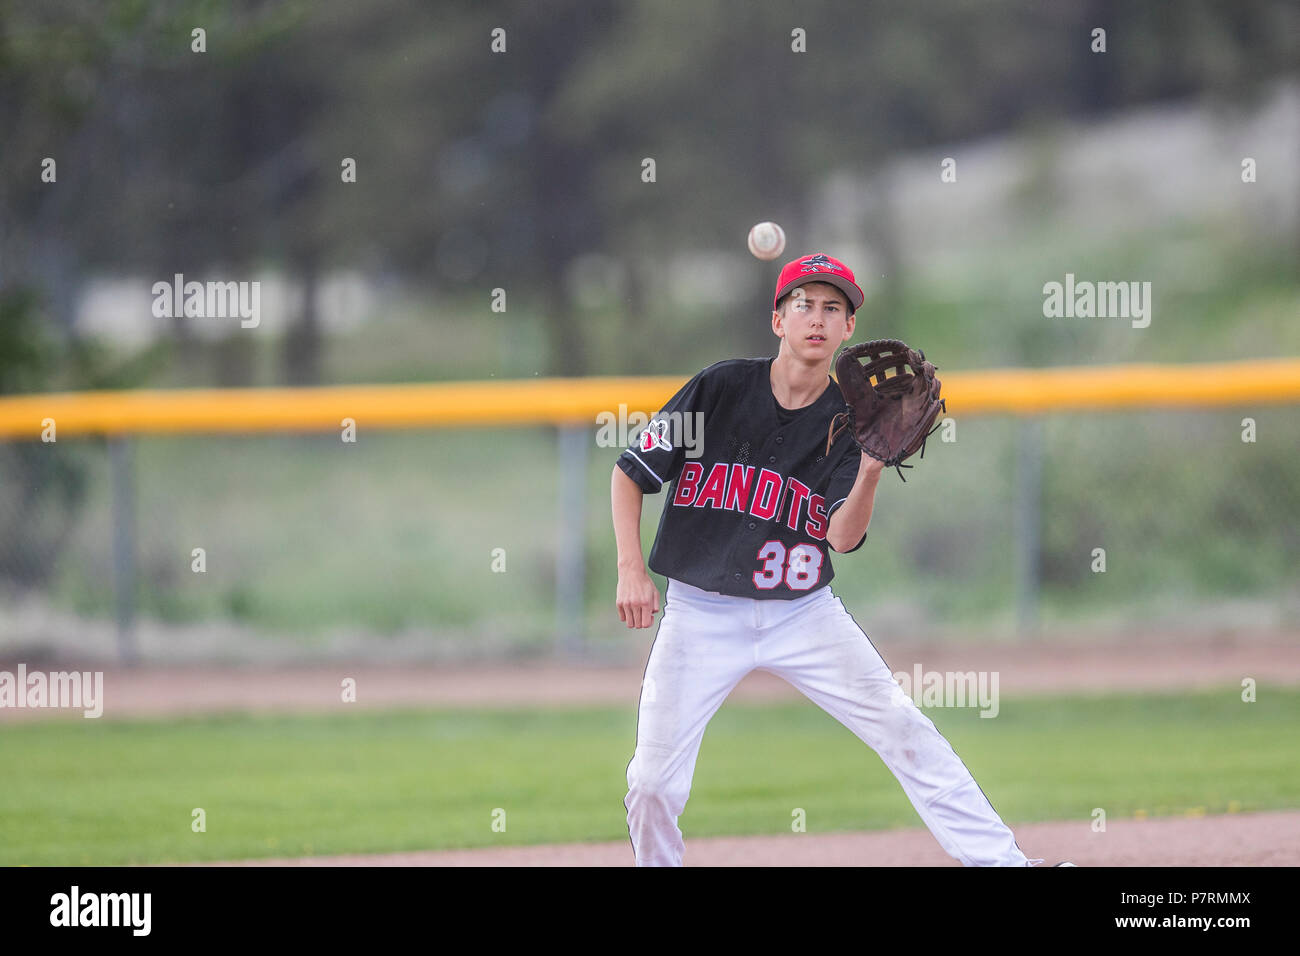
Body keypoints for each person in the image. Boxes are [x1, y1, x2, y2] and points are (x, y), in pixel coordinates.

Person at [610, 252, 1044, 867]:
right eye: (804, 305)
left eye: (832, 308)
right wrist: (632, 568)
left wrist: (869, 469)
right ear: (777, 320)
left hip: (803, 615)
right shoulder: (720, 388)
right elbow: (630, 475)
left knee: (903, 728)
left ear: (848, 331)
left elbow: (841, 536)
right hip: (700, 613)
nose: (817, 318)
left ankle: (1006, 865)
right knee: (651, 782)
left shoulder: (852, 420)